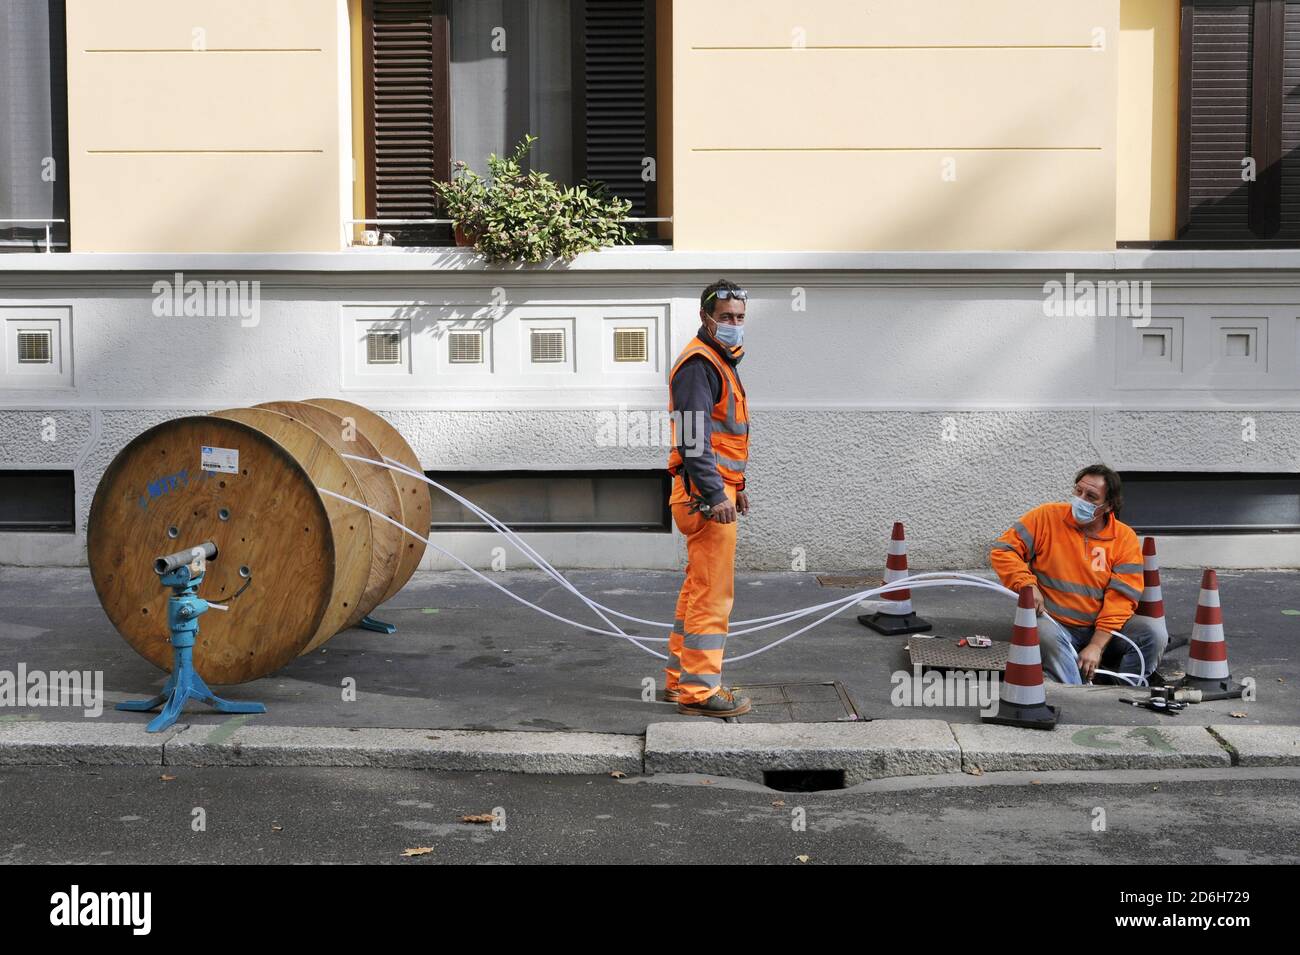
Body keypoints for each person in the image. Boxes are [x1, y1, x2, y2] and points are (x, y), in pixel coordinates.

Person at [663, 279, 752, 717]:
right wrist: (717, 493)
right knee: (713, 596)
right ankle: (700, 693)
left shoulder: (717, 361)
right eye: (726, 317)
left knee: (696, 590)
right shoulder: (700, 365)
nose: (734, 324)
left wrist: (738, 488)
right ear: (706, 318)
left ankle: (680, 681)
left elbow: (724, 438)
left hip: (708, 495)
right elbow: (695, 436)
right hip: (705, 500)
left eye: (739, 317)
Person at [990, 465, 1165, 684]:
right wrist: (1026, 584)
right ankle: (1077, 694)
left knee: (1153, 633)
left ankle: (1125, 690)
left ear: (1108, 505)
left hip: (1100, 630)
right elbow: (1004, 550)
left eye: (1091, 496)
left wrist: (1096, 645)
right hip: (1053, 623)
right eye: (1078, 491)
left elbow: (1122, 597)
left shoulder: (1124, 538)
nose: (1081, 500)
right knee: (1044, 636)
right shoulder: (1046, 517)